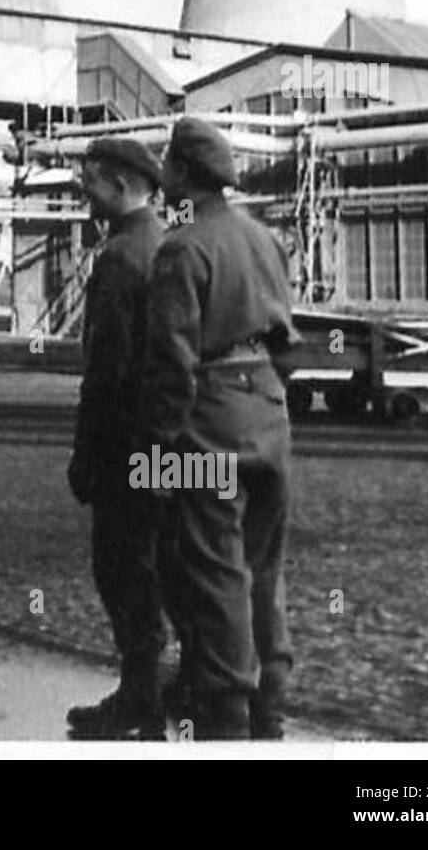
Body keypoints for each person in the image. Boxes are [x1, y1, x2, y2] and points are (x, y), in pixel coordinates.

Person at [141, 117, 299, 740]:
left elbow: (172, 365)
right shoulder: (264, 239)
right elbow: (288, 343)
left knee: (215, 568)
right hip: (269, 414)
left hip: (210, 421)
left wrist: (155, 453)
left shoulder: (181, 247)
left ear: (182, 173)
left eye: (168, 169)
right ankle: (273, 696)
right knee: (264, 563)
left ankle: (228, 709)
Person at [65, 136, 169, 739]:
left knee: (121, 568)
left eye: (91, 180)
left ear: (121, 185)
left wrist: (87, 455)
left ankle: (140, 698)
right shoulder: (167, 245)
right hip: (168, 443)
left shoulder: (121, 256)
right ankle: (161, 692)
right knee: (158, 566)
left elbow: (105, 370)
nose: (84, 189)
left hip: (125, 443)